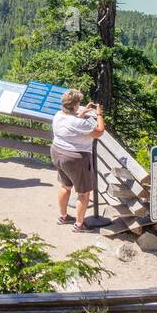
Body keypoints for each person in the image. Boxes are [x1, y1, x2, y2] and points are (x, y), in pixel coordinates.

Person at [52, 88, 106, 232]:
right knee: (83, 192)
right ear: (75, 105)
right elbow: (99, 132)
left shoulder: (58, 115)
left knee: (65, 186)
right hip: (76, 158)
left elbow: (71, 121)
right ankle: (79, 225)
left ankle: (63, 217)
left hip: (58, 152)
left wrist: (82, 113)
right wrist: (99, 114)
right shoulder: (80, 124)